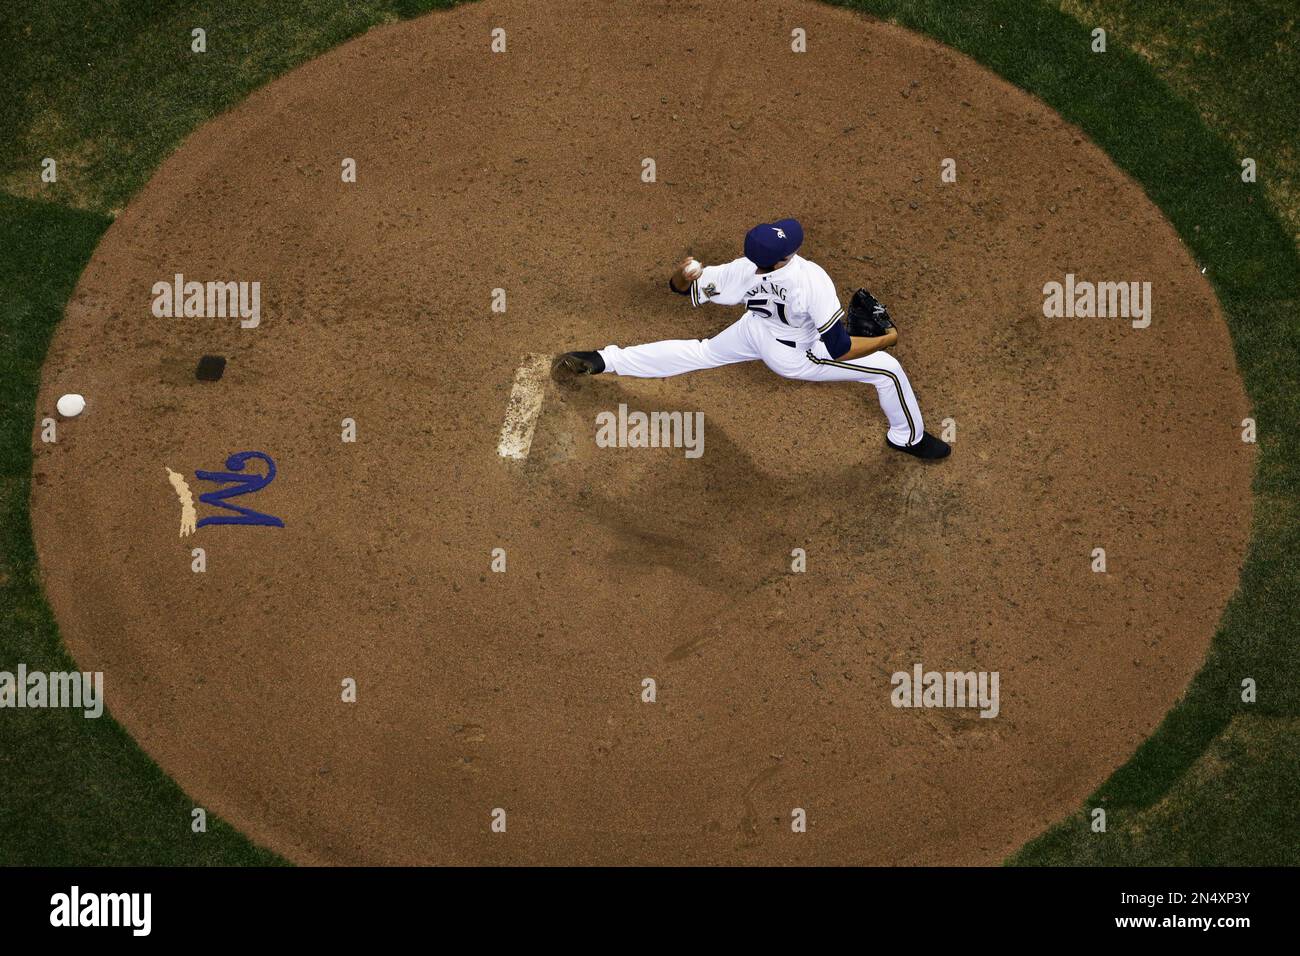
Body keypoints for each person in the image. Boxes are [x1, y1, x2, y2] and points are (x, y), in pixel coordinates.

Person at [552, 217, 950, 459]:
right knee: (889, 371)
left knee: (701, 352)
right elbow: (839, 348)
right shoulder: (810, 279)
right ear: (780, 258)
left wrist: (684, 274)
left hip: (753, 331)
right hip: (795, 355)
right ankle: (907, 437)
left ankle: (605, 359)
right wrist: (887, 339)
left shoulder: (743, 269)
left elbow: (678, 289)